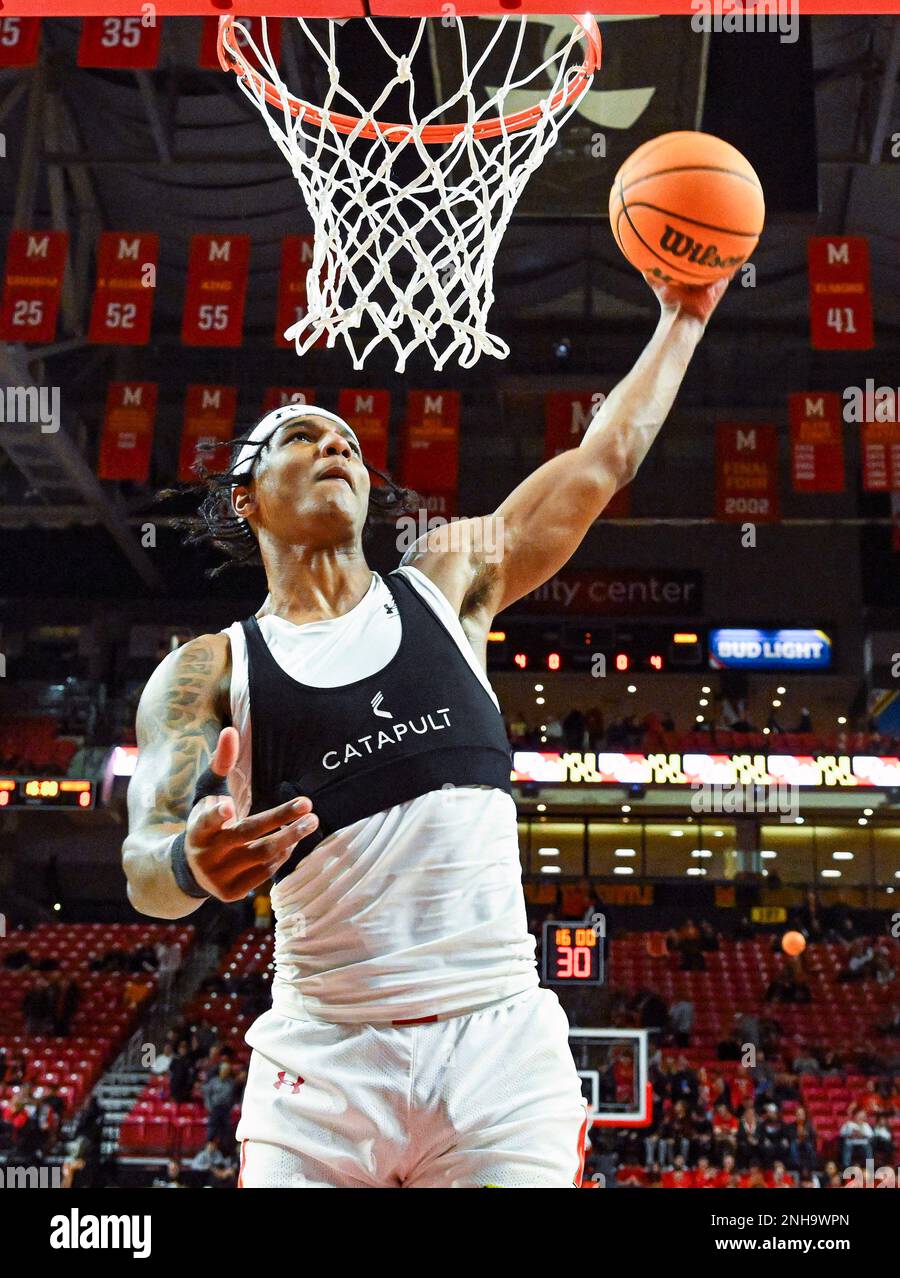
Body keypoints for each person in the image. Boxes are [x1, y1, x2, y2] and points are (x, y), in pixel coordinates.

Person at [122, 274, 732, 1189]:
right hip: (323, 1068)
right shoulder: (210, 668)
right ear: (244, 496)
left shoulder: (448, 584)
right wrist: (190, 867)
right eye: (302, 435)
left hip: (497, 1054)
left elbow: (602, 460)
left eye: (350, 442)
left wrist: (682, 322)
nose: (336, 443)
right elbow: (143, 862)